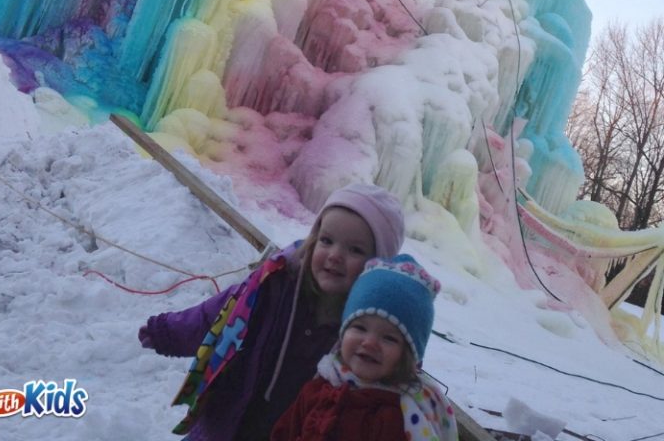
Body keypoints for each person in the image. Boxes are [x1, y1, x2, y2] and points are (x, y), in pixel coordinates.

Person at [138, 182, 405, 440]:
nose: (335, 255)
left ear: (377, 265)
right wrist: (166, 332)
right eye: (327, 240)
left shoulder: (372, 334)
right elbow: (218, 316)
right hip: (228, 426)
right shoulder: (273, 285)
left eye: (355, 249)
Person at [271, 254, 458, 441]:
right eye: (360, 328)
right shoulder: (319, 387)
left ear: (408, 355)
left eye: (389, 338)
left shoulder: (398, 418)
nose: (369, 343)